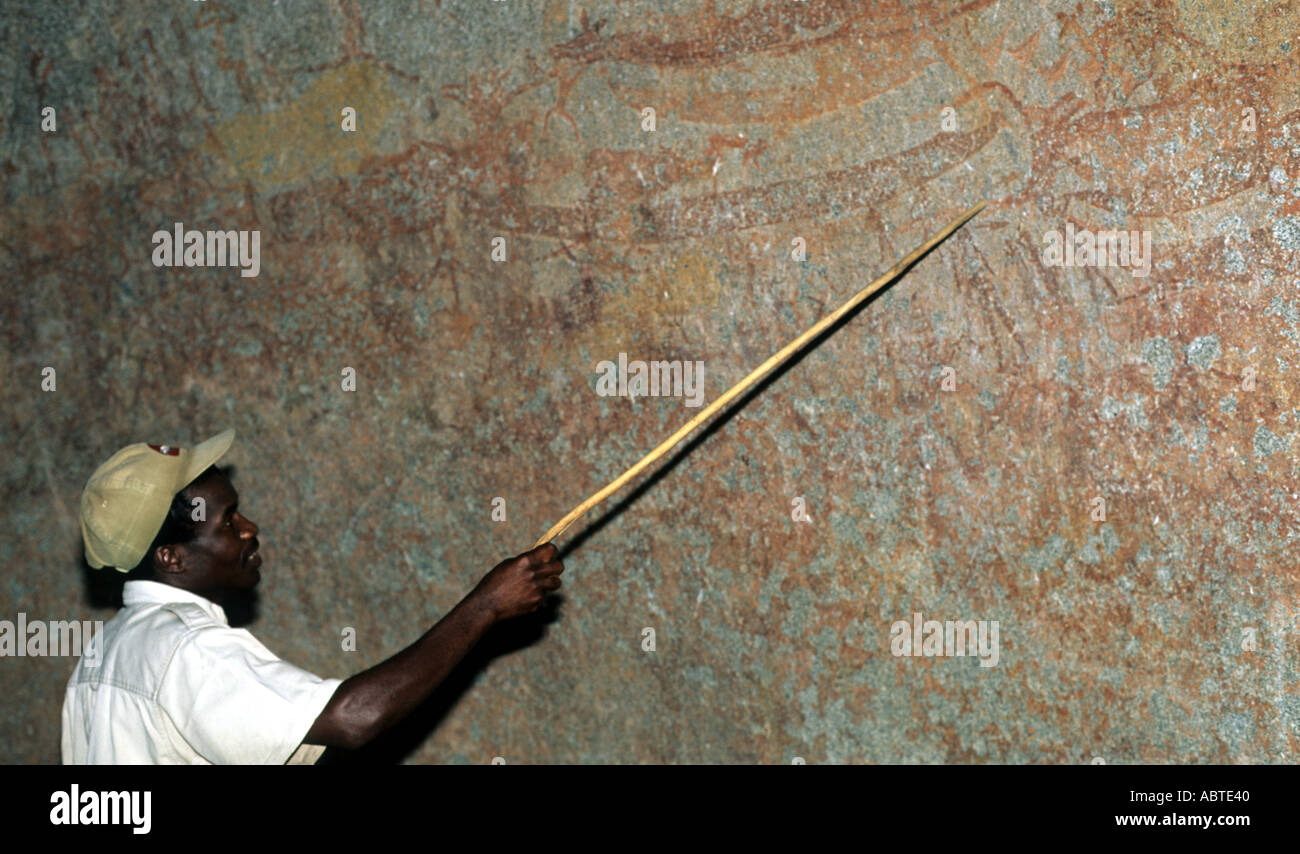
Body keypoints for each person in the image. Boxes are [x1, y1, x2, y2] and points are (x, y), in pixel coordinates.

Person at [64, 427, 563, 764]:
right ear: (171, 557)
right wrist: (486, 606)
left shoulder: (102, 654)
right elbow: (352, 719)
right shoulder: (187, 650)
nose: (249, 528)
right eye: (227, 520)